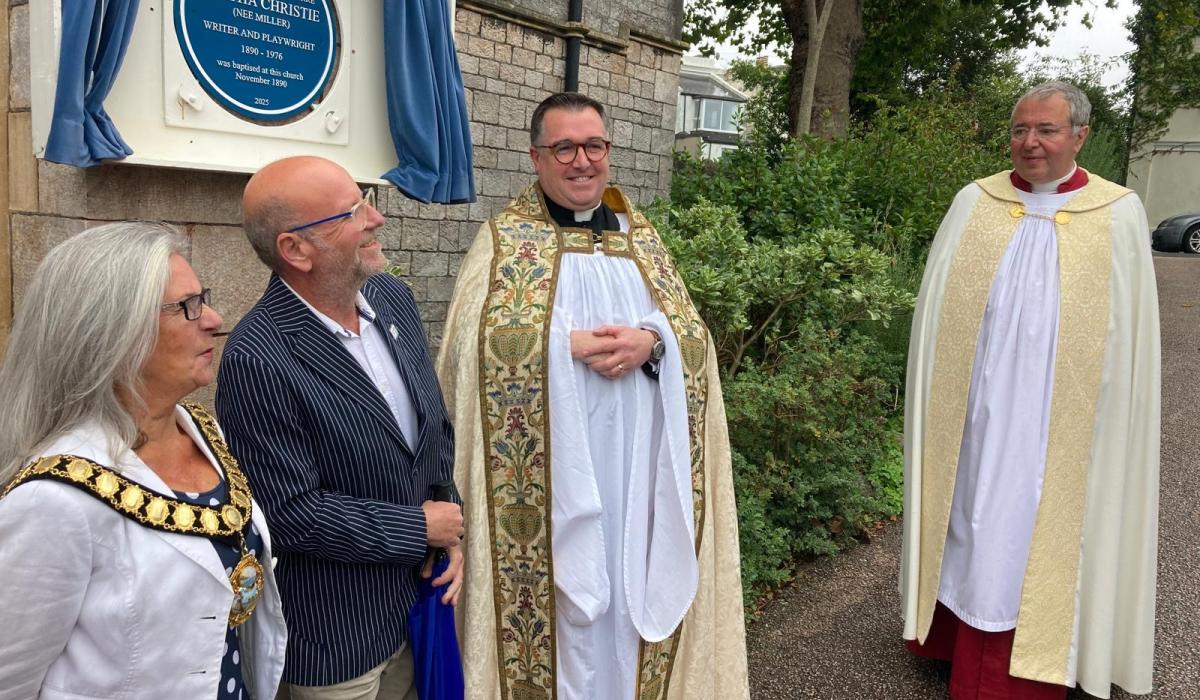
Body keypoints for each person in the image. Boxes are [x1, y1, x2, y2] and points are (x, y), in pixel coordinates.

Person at [437, 92, 749, 700]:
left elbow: (693, 339)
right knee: (557, 617)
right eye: (565, 148)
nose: (582, 161)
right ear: (536, 157)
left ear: (608, 151)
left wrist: (650, 342)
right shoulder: (504, 242)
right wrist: (562, 345)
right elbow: (466, 352)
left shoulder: (643, 237)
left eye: (594, 146)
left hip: (639, 479)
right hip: (547, 485)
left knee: (631, 604)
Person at [901, 81, 1160, 699]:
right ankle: (953, 637)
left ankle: (1048, 655)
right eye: (1020, 130)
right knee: (971, 514)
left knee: (1042, 522)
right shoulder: (975, 202)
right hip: (979, 413)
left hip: (1060, 421)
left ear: (1080, 135)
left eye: (1046, 130)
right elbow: (938, 320)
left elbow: (1130, 345)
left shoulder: (1118, 212)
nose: (1030, 143)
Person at [0, 222, 287, 699]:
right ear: (114, 332)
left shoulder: (200, 429)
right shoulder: (52, 499)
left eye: (204, 297)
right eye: (188, 307)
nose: (214, 317)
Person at [216, 156, 463, 699]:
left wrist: (451, 523)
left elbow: (433, 431)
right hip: (335, 644)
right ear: (295, 250)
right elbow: (290, 513)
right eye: (352, 211)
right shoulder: (258, 356)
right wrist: (420, 529)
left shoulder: (390, 298)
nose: (375, 218)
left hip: (416, 612)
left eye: (366, 200)